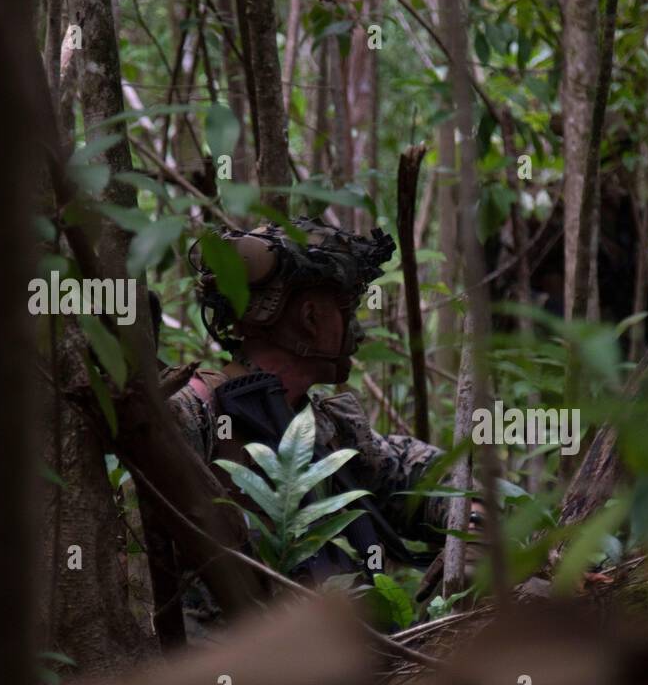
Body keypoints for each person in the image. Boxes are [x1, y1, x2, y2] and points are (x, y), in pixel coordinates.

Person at [166, 216, 476, 634]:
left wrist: (473, 524)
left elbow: (424, 475)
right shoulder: (190, 416)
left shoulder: (327, 429)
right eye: (347, 310)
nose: (356, 331)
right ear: (311, 317)